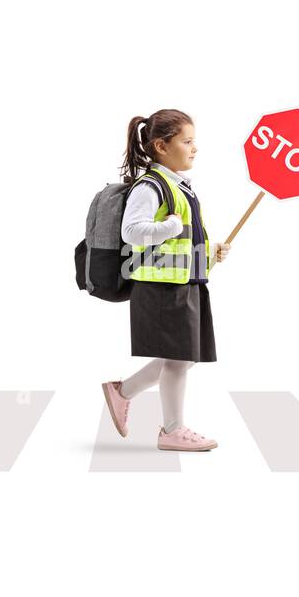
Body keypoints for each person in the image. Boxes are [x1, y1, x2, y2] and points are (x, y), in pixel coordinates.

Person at [100, 109, 231, 452]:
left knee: (183, 356)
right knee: (177, 357)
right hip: (161, 288)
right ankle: (172, 430)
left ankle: (121, 391)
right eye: (187, 141)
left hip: (182, 284)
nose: (194, 148)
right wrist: (169, 227)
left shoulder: (179, 187)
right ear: (161, 145)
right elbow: (132, 231)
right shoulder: (151, 187)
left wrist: (210, 251)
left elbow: (181, 242)